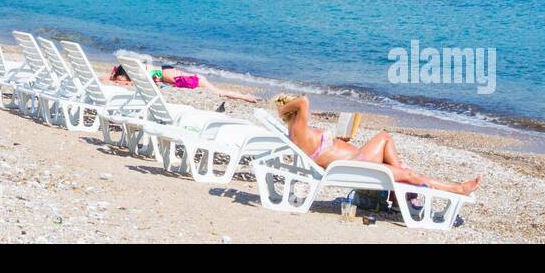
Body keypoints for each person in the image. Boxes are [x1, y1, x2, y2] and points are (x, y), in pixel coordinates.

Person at [273, 93, 479, 196]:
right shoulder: (297, 129)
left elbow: (326, 151)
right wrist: (280, 109)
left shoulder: (296, 132)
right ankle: (457, 189)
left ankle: (403, 183)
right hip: (356, 164)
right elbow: (304, 100)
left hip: (356, 161)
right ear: (293, 112)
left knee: (395, 154)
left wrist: (340, 142)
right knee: (394, 151)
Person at [106, 62, 260, 104]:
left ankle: (244, 97)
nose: (120, 82)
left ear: (124, 74)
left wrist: (116, 79)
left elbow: (130, 82)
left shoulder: (144, 73)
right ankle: (244, 96)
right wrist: (114, 78)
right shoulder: (142, 69)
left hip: (191, 80)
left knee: (218, 92)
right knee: (217, 91)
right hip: (180, 76)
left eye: (120, 78)